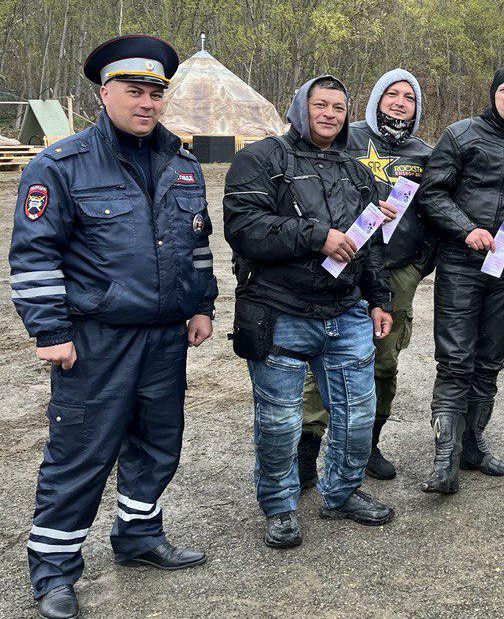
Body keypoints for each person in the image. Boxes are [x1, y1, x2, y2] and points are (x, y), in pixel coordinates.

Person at [12, 36, 216, 619]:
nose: (147, 102)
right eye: (134, 91)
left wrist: (201, 304)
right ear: (105, 93)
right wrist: (50, 332)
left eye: (156, 92)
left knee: (157, 443)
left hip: (163, 338)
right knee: (81, 453)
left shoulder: (182, 164)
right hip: (95, 339)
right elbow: (33, 257)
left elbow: (196, 244)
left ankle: (138, 537)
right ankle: (54, 571)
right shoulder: (60, 165)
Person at [224, 75, 395, 550]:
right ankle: (279, 509)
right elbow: (244, 228)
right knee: (279, 423)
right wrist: (316, 236)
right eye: (320, 105)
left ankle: (341, 493)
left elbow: (370, 243)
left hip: (347, 315)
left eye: (339, 107)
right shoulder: (260, 159)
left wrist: (380, 299)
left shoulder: (359, 172)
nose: (329, 114)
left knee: (357, 417)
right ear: (300, 107)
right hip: (280, 314)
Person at [297, 69, 438, 485]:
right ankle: (306, 448)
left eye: (408, 97)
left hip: (397, 272)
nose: (399, 102)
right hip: (341, 265)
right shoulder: (347, 137)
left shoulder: (425, 154)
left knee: (384, 360)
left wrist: (418, 265)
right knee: (323, 357)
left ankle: (368, 443)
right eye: (391, 94)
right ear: (375, 99)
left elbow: (435, 210)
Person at [418, 66, 504, 494]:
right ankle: (444, 459)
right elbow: (432, 193)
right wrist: (465, 228)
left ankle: (473, 444)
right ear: (493, 95)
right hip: (461, 260)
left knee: (490, 360)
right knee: (455, 360)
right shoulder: (460, 135)